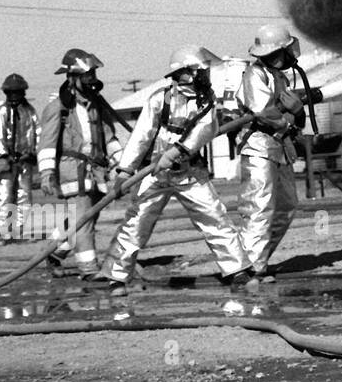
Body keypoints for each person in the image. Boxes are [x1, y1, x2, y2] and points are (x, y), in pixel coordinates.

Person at [100, 46, 251, 295]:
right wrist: (125, 170)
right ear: (185, 73)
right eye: (199, 71)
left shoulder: (207, 101)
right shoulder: (160, 99)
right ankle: (117, 277)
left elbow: (204, 131)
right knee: (136, 223)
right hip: (153, 174)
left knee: (215, 218)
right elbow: (141, 136)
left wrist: (176, 152)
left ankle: (238, 271)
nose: (204, 75)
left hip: (190, 173)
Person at [37, 49, 123, 280]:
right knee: (84, 219)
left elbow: (108, 136)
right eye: (86, 75)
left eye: (93, 74)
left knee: (85, 217)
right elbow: (46, 142)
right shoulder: (58, 108)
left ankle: (54, 253)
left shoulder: (94, 105)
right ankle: (88, 270)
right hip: (72, 169)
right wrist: (46, 173)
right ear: (72, 77)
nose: (91, 79)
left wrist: (121, 163)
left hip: (95, 171)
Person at [236, 23, 307, 280]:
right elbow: (263, 112)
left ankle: (258, 260)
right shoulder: (254, 74)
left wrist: (298, 112)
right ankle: (250, 269)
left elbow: (290, 115)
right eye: (288, 49)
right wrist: (289, 119)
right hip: (258, 148)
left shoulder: (281, 77)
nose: (291, 55)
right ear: (280, 51)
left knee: (287, 207)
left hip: (280, 147)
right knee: (259, 207)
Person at [0, 74, 39, 243]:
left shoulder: (29, 111)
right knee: (4, 196)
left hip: (25, 160)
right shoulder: (1, 112)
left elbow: (36, 131)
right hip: (7, 162)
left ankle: (21, 231)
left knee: (24, 195)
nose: (15, 95)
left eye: (18, 92)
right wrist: (2, 156)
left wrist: (34, 152)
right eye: (12, 92)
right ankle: (1, 233)